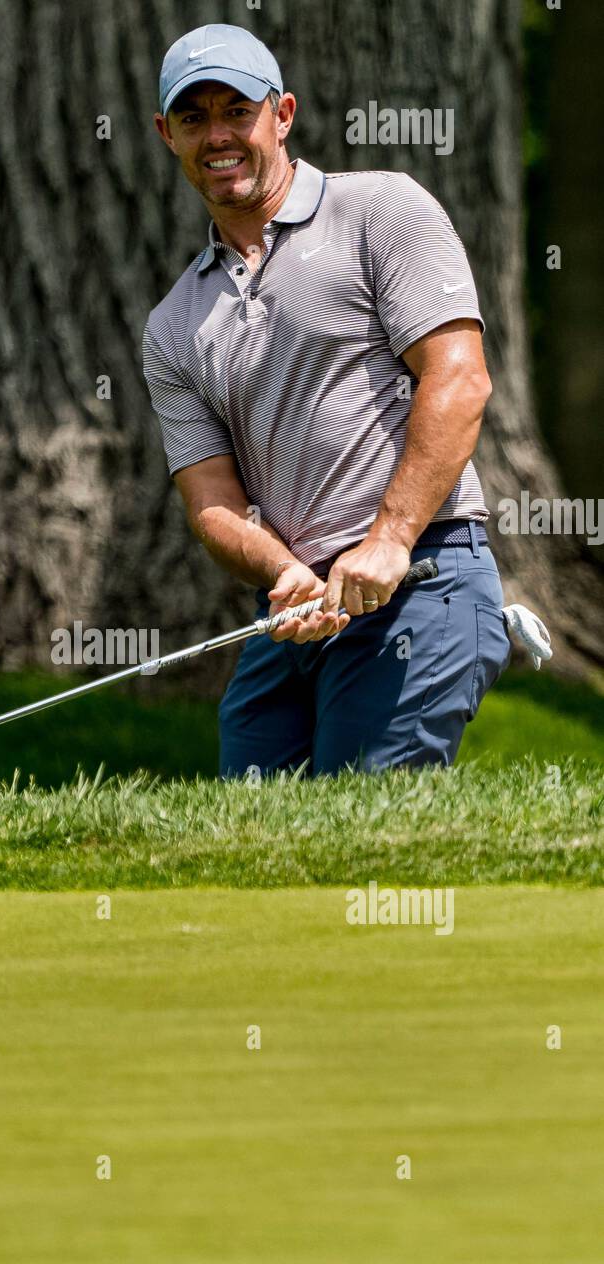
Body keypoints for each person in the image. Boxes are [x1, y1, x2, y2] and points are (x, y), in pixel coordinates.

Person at [142, 23, 512, 775]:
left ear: (282, 116)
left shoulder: (380, 211)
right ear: (166, 135)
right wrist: (283, 573)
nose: (219, 135)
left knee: (366, 843)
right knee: (248, 844)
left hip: (421, 578)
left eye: (237, 111)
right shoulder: (173, 322)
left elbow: (460, 378)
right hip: (294, 612)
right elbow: (211, 499)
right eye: (194, 117)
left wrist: (389, 538)